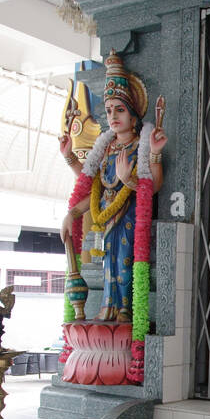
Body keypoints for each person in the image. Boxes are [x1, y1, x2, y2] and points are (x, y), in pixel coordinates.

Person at [59, 52, 165, 323]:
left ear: (133, 114)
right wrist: (73, 212)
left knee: (124, 260)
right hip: (105, 217)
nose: (113, 116)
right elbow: (93, 184)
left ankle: (125, 307)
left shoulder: (140, 145)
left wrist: (141, 165)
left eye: (119, 110)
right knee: (107, 261)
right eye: (108, 111)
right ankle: (108, 305)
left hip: (129, 215)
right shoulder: (106, 148)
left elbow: (153, 186)